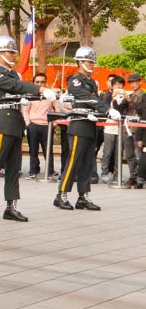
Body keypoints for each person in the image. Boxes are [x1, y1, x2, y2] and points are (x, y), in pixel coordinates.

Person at [0, 35, 54, 222]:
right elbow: (16, 86)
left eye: (14, 51)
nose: (13, 54)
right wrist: (39, 90)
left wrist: (37, 96)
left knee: (14, 168)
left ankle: (11, 207)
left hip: (15, 122)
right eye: (9, 51)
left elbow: (20, 89)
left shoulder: (15, 74)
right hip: (4, 122)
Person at [54, 47, 118, 210]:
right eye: (89, 61)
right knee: (73, 161)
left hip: (90, 126)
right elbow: (87, 97)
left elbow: (93, 101)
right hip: (79, 126)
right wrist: (107, 110)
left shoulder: (91, 82)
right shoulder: (75, 80)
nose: (92, 64)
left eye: (93, 61)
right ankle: (61, 195)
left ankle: (83, 196)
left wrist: (102, 112)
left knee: (88, 163)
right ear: (81, 62)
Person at [22, 73, 58, 179]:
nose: (40, 84)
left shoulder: (51, 95)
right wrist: (28, 123)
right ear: (33, 83)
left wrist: (54, 124)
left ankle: (50, 172)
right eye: (37, 82)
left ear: (46, 82)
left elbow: (58, 109)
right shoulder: (31, 95)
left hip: (47, 125)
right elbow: (25, 111)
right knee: (33, 150)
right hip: (33, 125)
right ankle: (33, 171)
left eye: (42, 81)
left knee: (48, 151)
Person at [100, 75, 128, 183]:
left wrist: (128, 99)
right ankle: (104, 173)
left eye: (120, 84)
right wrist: (112, 97)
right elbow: (105, 108)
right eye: (116, 84)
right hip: (109, 128)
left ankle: (117, 175)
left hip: (121, 129)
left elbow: (120, 110)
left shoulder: (126, 98)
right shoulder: (108, 96)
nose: (118, 86)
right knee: (107, 152)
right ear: (113, 85)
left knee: (119, 153)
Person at [126, 74, 142, 186]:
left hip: (139, 129)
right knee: (129, 154)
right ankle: (133, 176)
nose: (133, 84)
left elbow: (141, 110)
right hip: (127, 128)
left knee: (139, 155)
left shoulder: (144, 96)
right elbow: (120, 110)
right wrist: (117, 99)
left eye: (135, 81)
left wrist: (131, 101)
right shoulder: (129, 96)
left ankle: (140, 177)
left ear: (140, 82)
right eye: (131, 82)